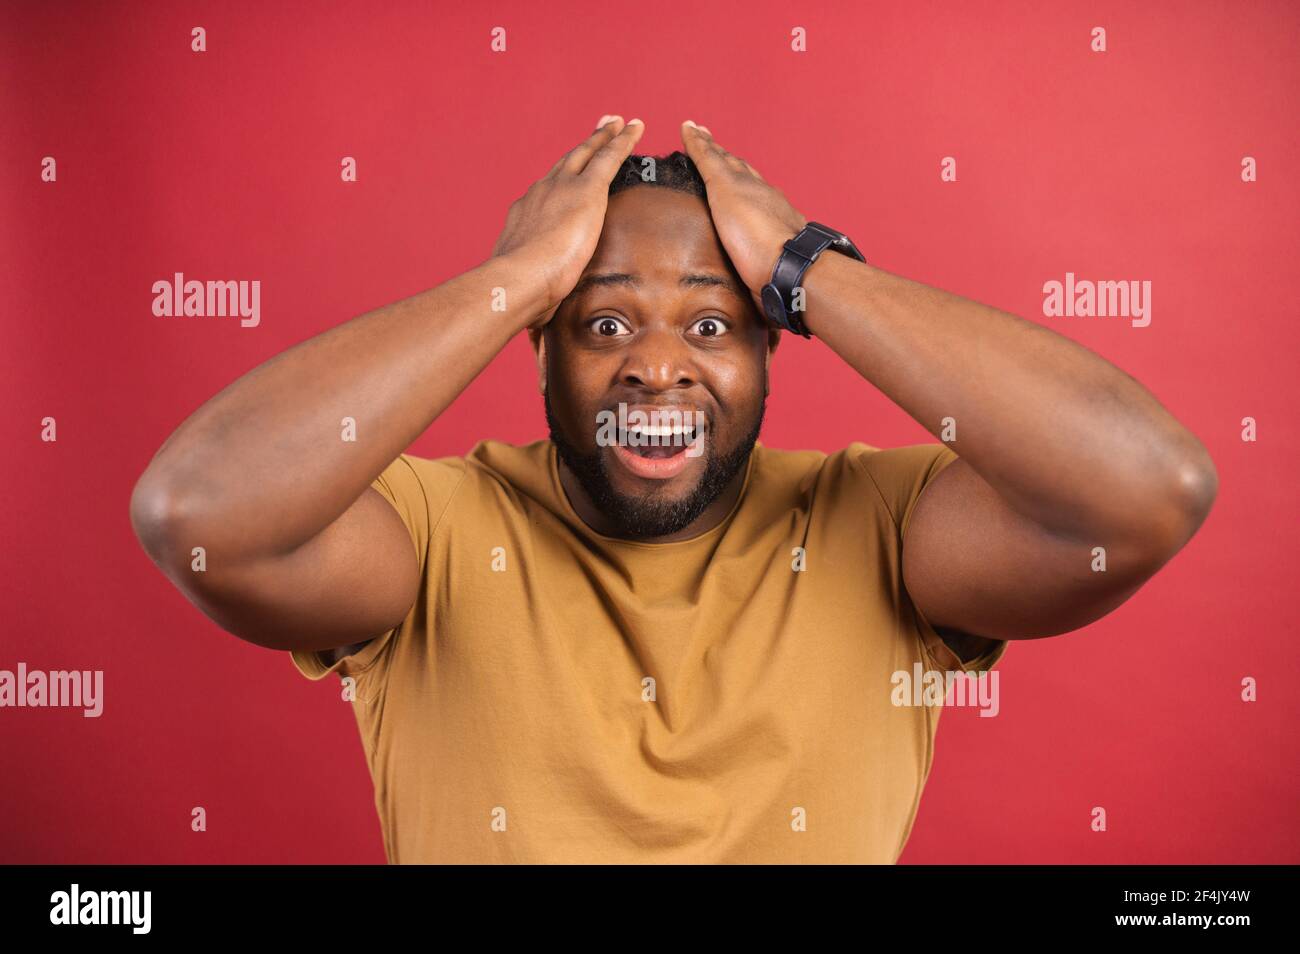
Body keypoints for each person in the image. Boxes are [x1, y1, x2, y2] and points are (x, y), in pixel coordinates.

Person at [129, 116, 1217, 863]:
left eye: (711, 324)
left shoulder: (875, 532)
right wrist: (512, 278)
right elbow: (200, 515)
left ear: (773, 349)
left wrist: (809, 271)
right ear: (536, 350)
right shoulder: (441, 534)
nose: (658, 365)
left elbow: (1146, 489)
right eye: (601, 322)